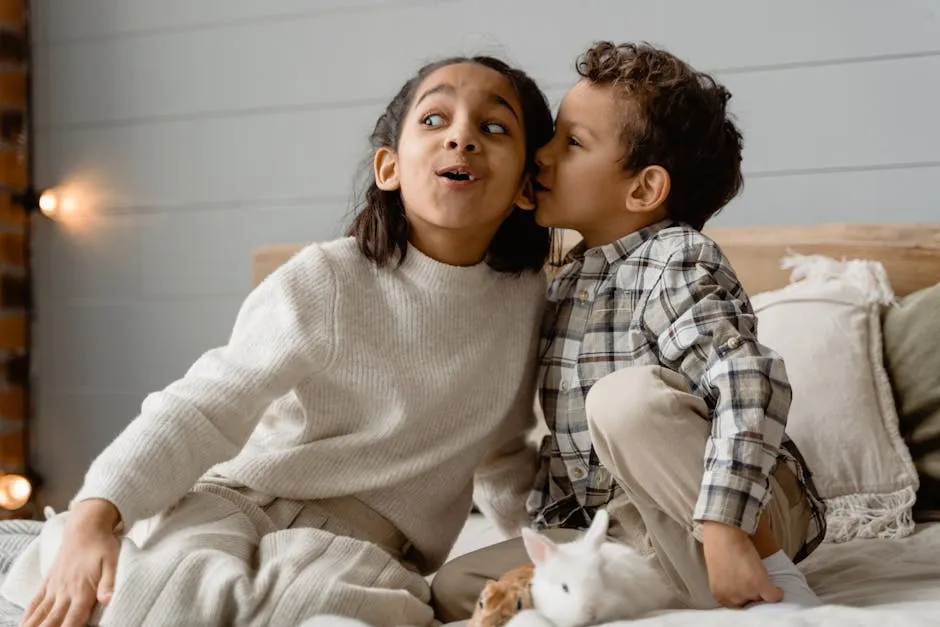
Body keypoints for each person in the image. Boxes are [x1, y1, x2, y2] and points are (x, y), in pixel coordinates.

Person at [2, 54, 555, 627]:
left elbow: (502, 455)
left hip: (368, 548)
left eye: (494, 127)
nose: (462, 137)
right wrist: (96, 515)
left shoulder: (526, 304)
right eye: (435, 120)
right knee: (158, 596)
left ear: (523, 186)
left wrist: (555, 551)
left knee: (330, 611)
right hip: (238, 503)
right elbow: (207, 404)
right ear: (389, 168)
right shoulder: (329, 278)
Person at [431, 41, 827, 621]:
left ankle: (769, 579)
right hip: (626, 528)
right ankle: (674, 590)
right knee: (456, 586)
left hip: (745, 509)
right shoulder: (563, 283)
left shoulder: (675, 260)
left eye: (570, 143)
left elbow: (749, 380)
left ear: (643, 190)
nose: (541, 154)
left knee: (625, 402)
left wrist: (724, 527)